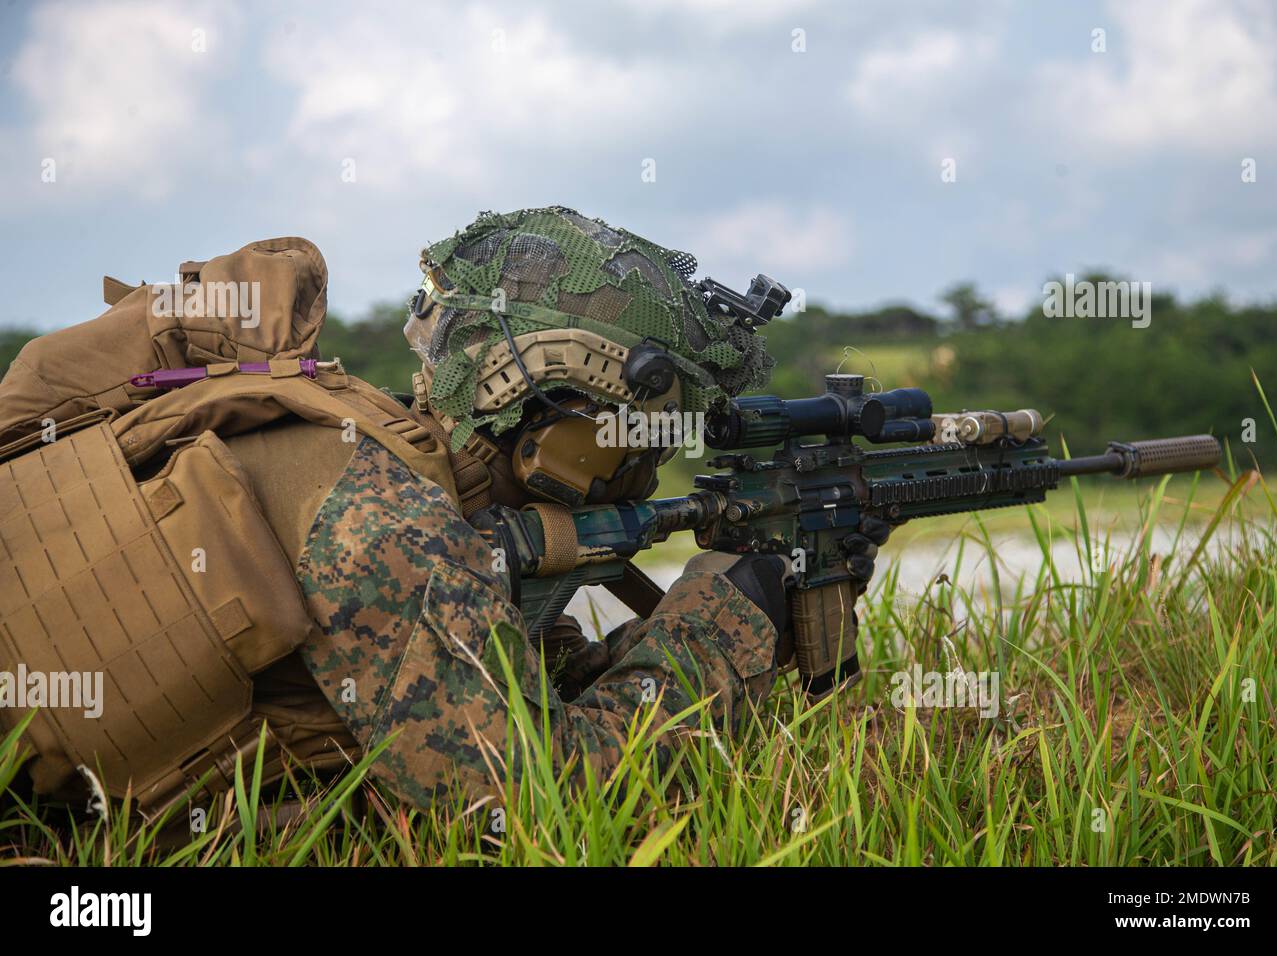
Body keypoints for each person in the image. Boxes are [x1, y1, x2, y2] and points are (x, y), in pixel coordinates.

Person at [0, 207, 877, 813]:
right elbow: (533, 802)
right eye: (640, 439)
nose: (647, 473)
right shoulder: (385, 522)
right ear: (554, 421)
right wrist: (728, 621)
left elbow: (512, 690)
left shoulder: (362, 446)